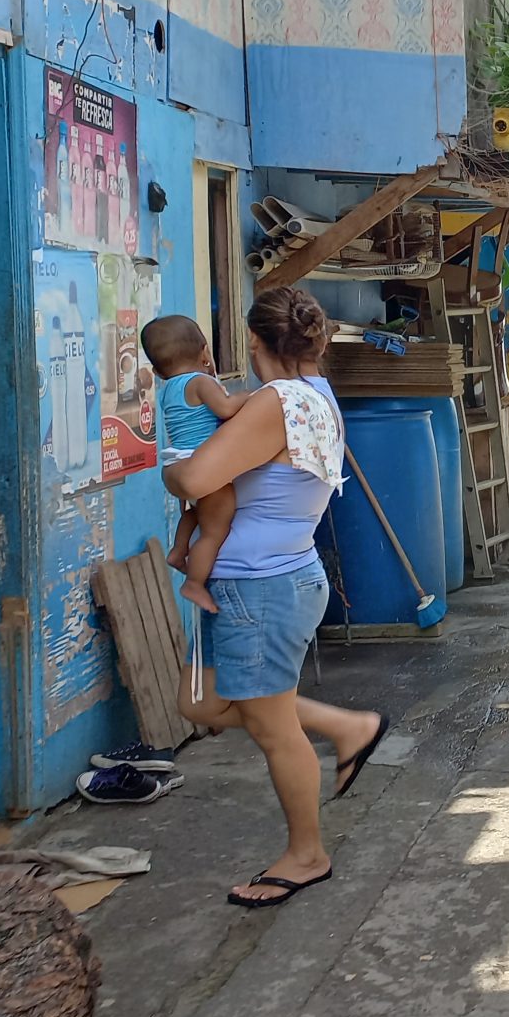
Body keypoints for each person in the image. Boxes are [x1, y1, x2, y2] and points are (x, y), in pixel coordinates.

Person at [168, 287, 389, 909]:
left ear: (254, 343)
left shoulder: (276, 404)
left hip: (260, 587)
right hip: (276, 577)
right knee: (200, 703)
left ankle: (306, 855)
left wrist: (164, 466)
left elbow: (192, 477)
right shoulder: (317, 393)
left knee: (271, 729)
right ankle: (350, 728)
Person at [142, 315, 249, 615]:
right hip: (204, 464)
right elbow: (226, 409)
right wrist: (250, 396)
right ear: (205, 353)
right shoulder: (201, 382)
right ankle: (194, 582)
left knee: (199, 512)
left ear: (156, 369)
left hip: (178, 461)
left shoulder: (168, 390)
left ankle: (178, 550)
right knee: (215, 531)